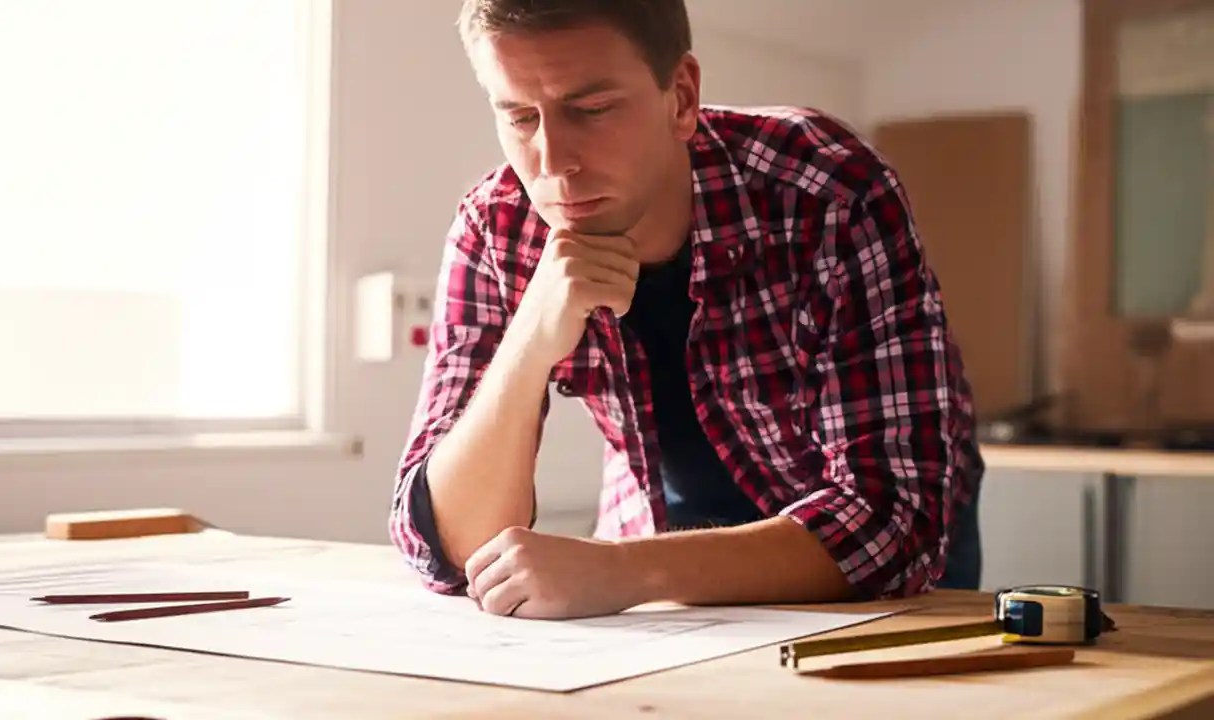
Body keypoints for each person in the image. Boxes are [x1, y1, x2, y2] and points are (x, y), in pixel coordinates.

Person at [389, 0, 984, 620]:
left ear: (681, 98)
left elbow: (892, 522)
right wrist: (529, 343)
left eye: (592, 110)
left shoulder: (827, 188)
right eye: (518, 116)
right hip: (657, 536)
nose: (553, 161)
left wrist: (622, 569)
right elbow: (444, 550)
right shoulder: (496, 228)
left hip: (859, 548)